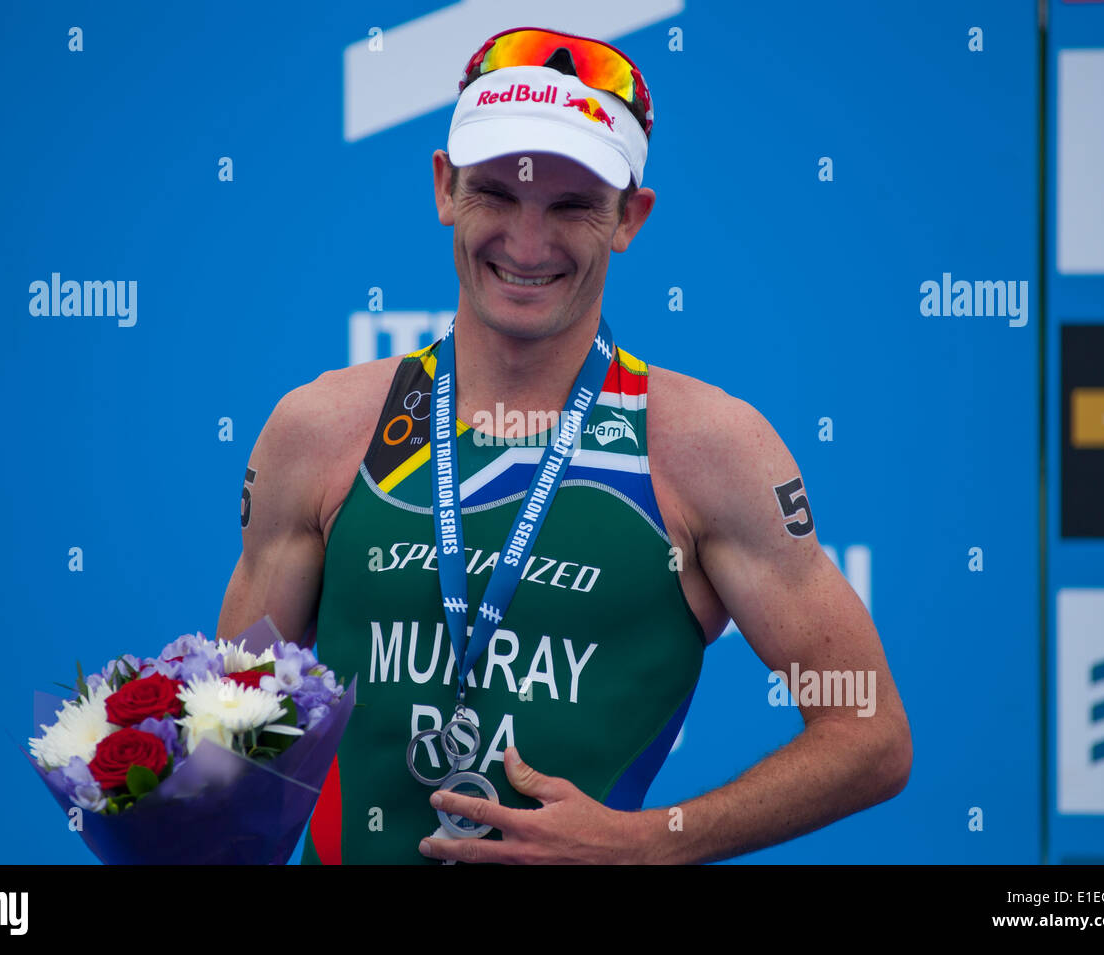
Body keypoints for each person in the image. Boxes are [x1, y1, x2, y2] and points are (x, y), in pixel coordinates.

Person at [216, 26, 911, 865]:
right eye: (496, 194)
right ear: (444, 188)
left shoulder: (706, 449)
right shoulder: (322, 429)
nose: (528, 241)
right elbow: (238, 731)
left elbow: (869, 735)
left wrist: (650, 841)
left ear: (630, 218)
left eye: (573, 204)